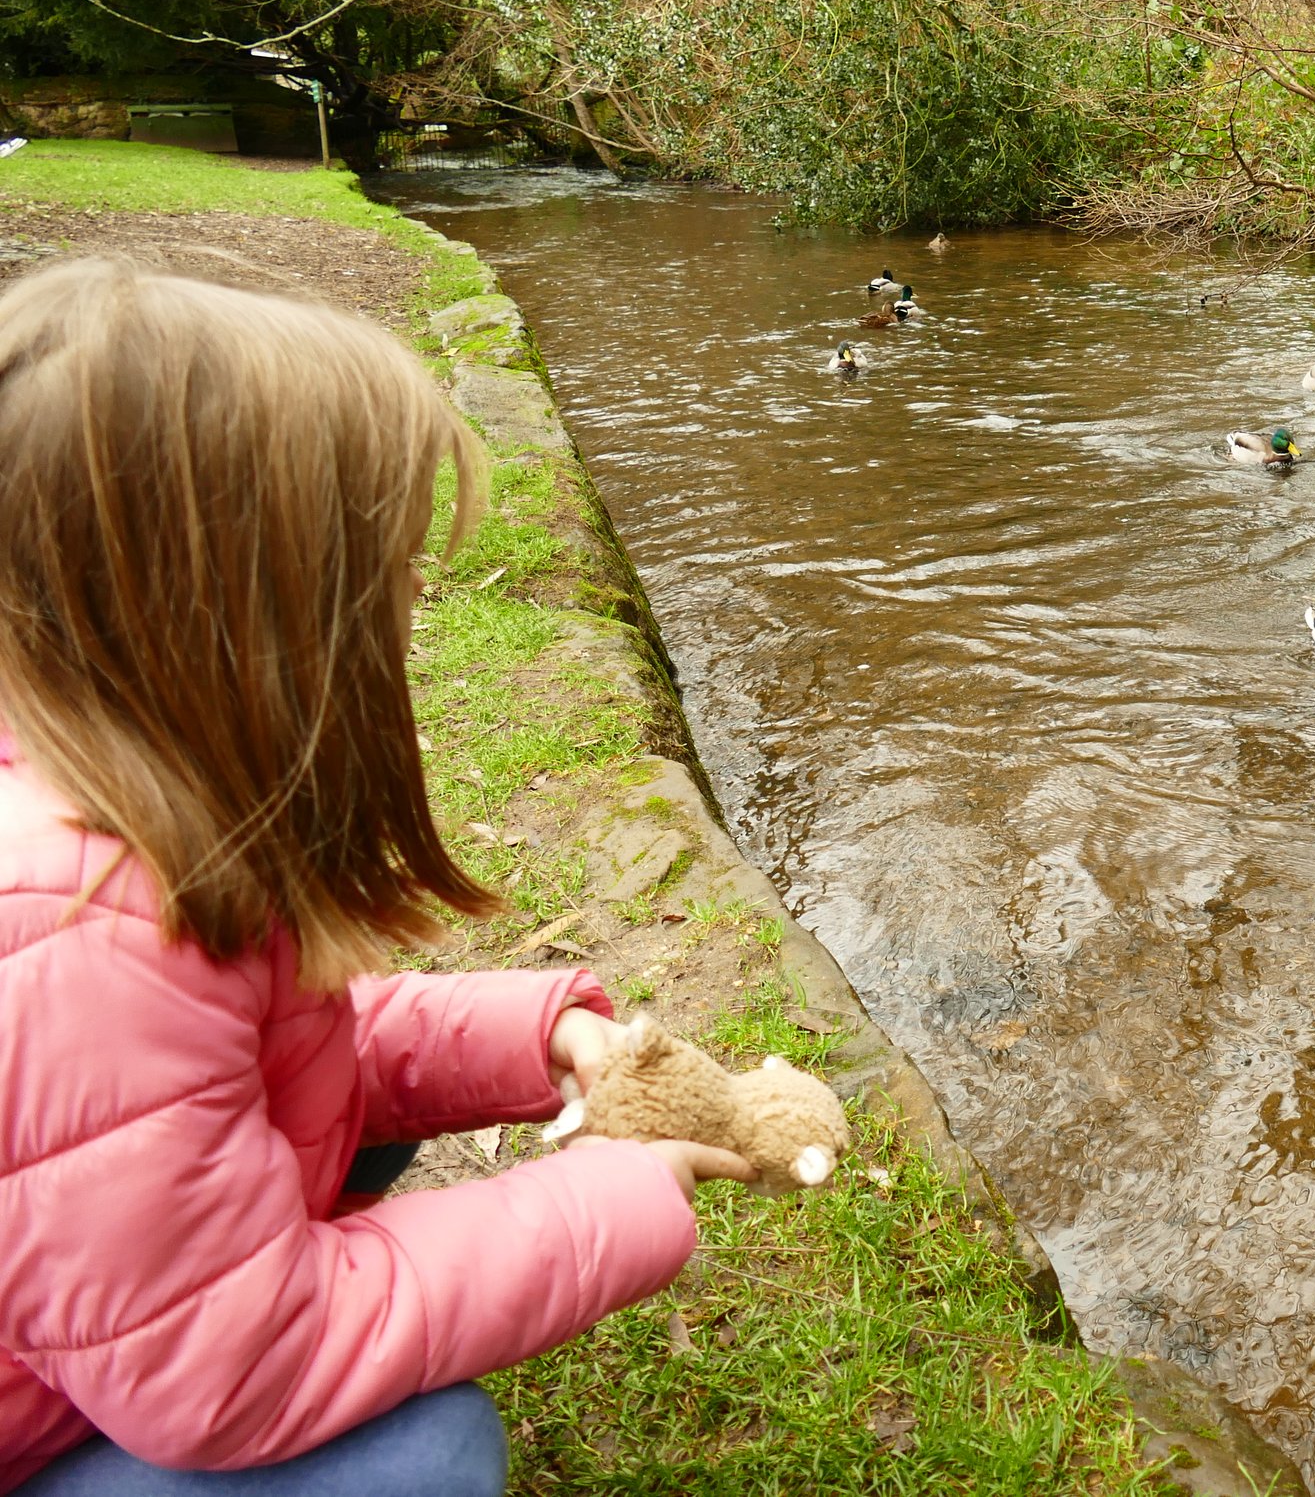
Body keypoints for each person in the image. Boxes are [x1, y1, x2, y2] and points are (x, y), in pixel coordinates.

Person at [0, 260, 752, 1495]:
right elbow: (235, 1372)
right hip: (63, 1416)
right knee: (420, 1457)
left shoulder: (106, 792)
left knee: (332, 1119)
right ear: (248, 621)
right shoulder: (79, 927)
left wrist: (537, 1038)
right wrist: (614, 1194)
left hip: (73, 1328)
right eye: (392, 572)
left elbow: (245, 1052)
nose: (414, 607)